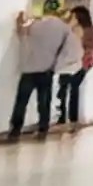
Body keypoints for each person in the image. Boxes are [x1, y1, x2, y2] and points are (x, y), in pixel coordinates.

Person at [8, 8, 71, 141]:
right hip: (47, 70)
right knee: (44, 102)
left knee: (21, 102)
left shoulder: (34, 24)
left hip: (29, 69)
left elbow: (21, 33)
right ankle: (43, 129)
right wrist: (56, 66)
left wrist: (19, 20)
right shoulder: (63, 28)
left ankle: (15, 130)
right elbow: (67, 49)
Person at [56, 6, 93, 126]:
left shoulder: (87, 32)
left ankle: (68, 117)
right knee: (67, 90)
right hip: (73, 64)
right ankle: (67, 117)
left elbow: (88, 48)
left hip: (80, 64)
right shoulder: (74, 29)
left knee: (69, 90)